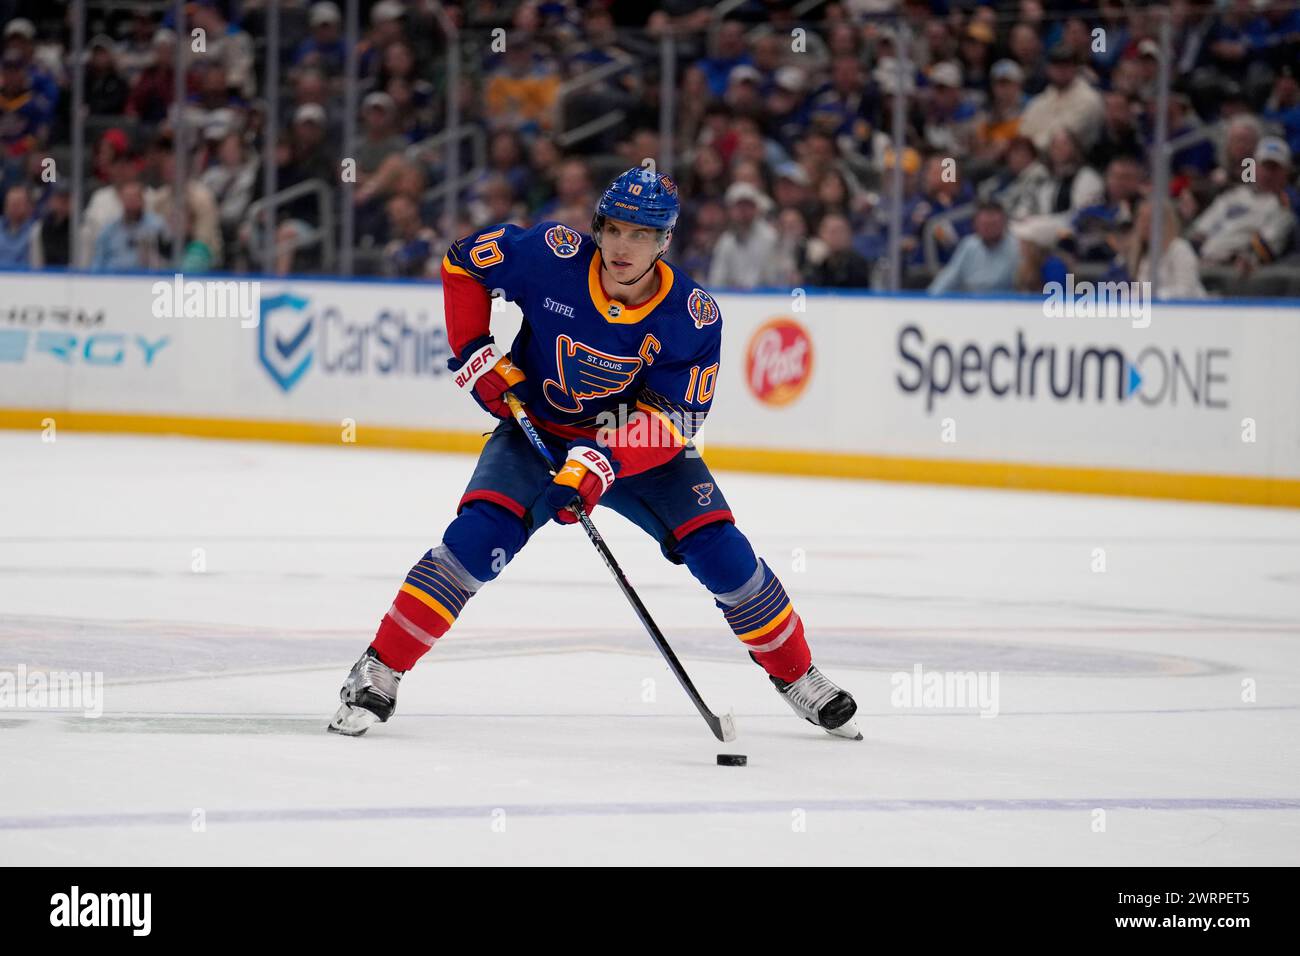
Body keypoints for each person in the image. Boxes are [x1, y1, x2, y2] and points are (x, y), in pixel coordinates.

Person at [328, 168, 861, 742]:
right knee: (476, 542)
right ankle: (379, 667)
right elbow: (463, 262)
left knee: (722, 551)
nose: (623, 247)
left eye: (641, 234)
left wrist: (598, 464)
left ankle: (796, 674)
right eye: (614, 230)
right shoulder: (550, 255)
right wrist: (474, 352)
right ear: (598, 228)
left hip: (629, 442)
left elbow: (675, 418)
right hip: (537, 430)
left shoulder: (692, 314)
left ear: (665, 241)